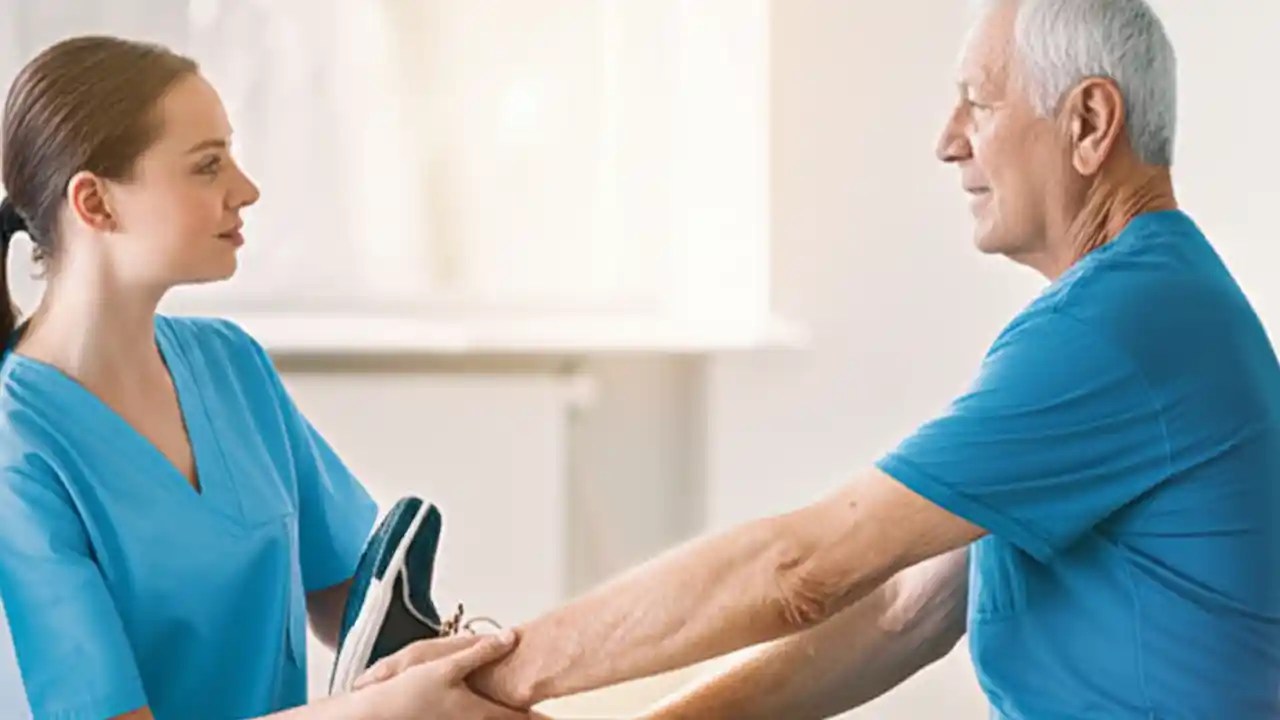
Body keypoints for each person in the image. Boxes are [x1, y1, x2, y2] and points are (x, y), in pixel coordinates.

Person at [361, 1, 1280, 718]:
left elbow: (801, 570)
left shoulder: (1122, 328)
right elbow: (897, 612)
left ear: (1088, 122)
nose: (948, 139)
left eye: (980, 100)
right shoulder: (1147, 307)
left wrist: (497, 670)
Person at [0, 35, 525, 720]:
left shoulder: (231, 366)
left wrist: (497, 670)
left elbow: (360, 615)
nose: (245, 190)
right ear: (96, 204)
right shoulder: (19, 451)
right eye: (208, 166)